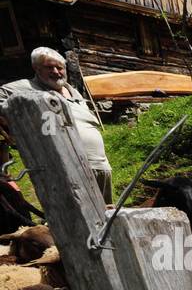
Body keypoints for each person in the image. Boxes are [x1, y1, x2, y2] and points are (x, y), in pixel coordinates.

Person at [0, 47, 112, 204]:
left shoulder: (72, 91)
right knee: (77, 217)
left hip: (99, 166)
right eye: (48, 67)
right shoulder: (26, 87)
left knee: (107, 216)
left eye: (59, 67)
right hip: (66, 170)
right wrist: (15, 123)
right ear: (36, 69)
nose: (56, 71)